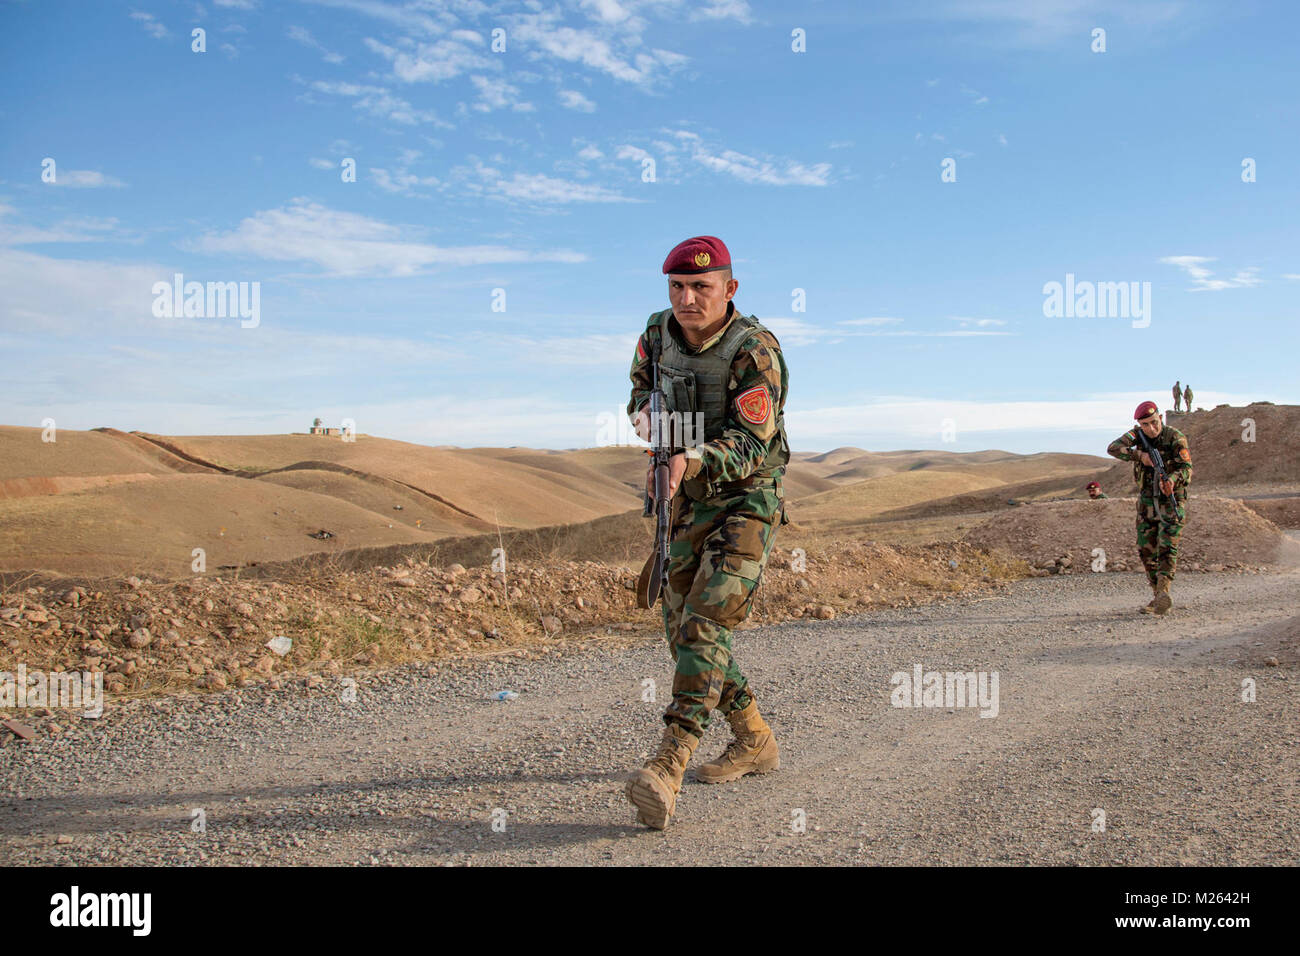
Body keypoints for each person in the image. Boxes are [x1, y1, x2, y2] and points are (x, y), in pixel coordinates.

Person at [623, 235, 791, 830]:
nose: (688, 298)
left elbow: (752, 441)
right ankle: (753, 737)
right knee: (682, 631)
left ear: (730, 289)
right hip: (687, 499)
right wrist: (659, 438)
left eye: (701, 286)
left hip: (744, 499)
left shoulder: (754, 350)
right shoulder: (655, 333)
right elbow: (639, 397)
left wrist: (689, 458)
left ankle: (668, 764)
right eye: (677, 287)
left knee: (703, 623)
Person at [1106, 401, 1193, 614]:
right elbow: (1113, 448)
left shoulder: (1175, 438)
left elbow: (1187, 470)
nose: (1151, 428)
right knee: (1146, 550)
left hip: (1171, 501)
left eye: (1154, 422)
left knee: (1167, 547)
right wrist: (1140, 456)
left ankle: (1164, 590)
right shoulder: (1137, 436)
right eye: (1145, 424)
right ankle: (1158, 595)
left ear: (1161, 418)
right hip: (1146, 502)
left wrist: (1172, 479)